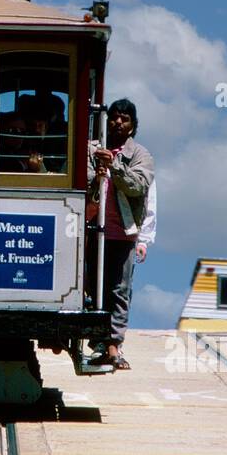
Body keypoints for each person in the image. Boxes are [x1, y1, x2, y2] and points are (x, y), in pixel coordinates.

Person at [86, 99, 154, 371]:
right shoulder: (91, 149)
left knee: (118, 290)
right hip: (91, 228)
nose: (117, 123)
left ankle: (114, 345)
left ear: (133, 125)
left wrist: (114, 166)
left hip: (121, 233)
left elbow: (138, 185)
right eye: (113, 117)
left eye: (124, 119)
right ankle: (97, 342)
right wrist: (97, 173)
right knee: (91, 287)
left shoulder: (141, 154)